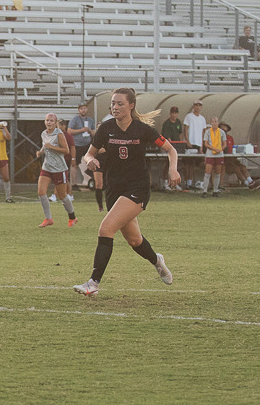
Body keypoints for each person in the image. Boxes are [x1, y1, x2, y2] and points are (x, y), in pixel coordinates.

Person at [73, 88, 180, 296]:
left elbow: (171, 149)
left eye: (120, 103)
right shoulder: (106, 128)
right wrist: (91, 160)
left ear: (131, 106)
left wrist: (173, 168)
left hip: (137, 188)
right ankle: (157, 260)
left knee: (105, 229)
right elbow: (88, 154)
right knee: (134, 240)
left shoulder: (142, 129)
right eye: (113, 103)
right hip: (114, 190)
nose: (115, 107)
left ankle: (93, 283)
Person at [36, 113, 77, 227]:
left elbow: (66, 150)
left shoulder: (59, 134)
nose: (48, 122)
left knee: (62, 195)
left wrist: (51, 147)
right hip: (47, 166)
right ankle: (48, 218)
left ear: (55, 123)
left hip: (59, 168)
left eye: (51, 121)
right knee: (41, 192)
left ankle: (72, 217)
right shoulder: (43, 133)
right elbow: (45, 146)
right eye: (47, 120)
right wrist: (40, 152)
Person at [68, 101, 102, 210]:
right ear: (79, 110)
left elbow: (95, 132)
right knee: (74, 164)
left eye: (85, 108)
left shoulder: (90, 120)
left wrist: (91, 132)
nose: (83, 110)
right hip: (77, 144)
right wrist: (82, 130)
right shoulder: (75, 120)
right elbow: (69, 131)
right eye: (81, 108)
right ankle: (74, 183)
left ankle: (91, 174)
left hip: (88, 143)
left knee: (91, 159)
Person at [199, 118, 227, 196]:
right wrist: (214, 149)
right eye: (213, 122)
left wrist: (220, 149)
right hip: (210, 154)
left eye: (216, 122)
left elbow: (224, 144)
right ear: (211, 123)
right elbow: (206, 144)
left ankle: (215, 190)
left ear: (218, 123)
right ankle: (205, 191)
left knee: (218, 172)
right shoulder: (208, 132)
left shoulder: (222, 132)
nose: (214, 123)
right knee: (207, 172)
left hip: (219, 155)